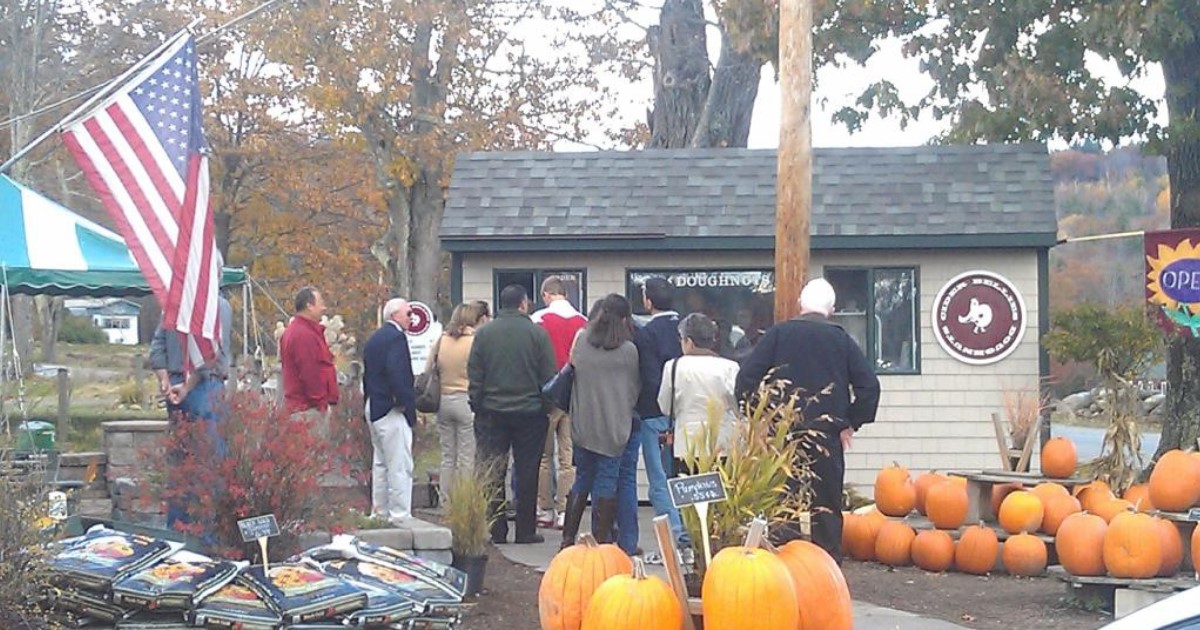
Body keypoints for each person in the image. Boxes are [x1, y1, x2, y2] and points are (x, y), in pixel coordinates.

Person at [735, 278, 881, 563]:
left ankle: (782, 567)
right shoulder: (841, 340)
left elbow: (745, 380)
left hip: (782, 437)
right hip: (825, 437)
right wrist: (851, 421)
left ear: (801, 304)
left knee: (782, 505)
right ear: (833, 309)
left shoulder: (778, 334)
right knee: (825, 508)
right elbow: (869, 387)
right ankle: (827, 570)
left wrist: (759, 419)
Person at [468, 285, 556, 544]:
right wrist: (545, 406)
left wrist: (478, 404)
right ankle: (525, 530)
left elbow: (475, 373)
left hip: (492, 412)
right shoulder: (537, 334)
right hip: (530, 413)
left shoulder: (484, 335)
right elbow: (548, 376)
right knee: (527, 471)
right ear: (524, 304)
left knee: (493, 470)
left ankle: (497, 528)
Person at [560, 294, 640, 551]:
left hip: (584, 423)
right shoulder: (628, 351)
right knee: (607, 481)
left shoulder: (581, 340)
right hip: (614, 426)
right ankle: (599, 542)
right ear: (624, 319)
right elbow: (634, 388)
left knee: (582, 479)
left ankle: (567, 539)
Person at [156, 294, 233, 532]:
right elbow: (211, 353)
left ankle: (177, 531)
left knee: (180, 466)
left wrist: (165, 381)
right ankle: (207, 536)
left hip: (178, 383)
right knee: (210, 464)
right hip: (203, 386)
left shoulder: (173, 302)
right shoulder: (218, 305)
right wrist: (185, 387)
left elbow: (157, 346)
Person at [632, 277, 689, 549]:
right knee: (684, 475)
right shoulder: (686, 329)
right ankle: (690, 530)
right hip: (687, 413)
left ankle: (675, 536)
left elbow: (649, 376)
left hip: (654, 414)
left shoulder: (646, 333)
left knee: (659, 479)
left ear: (648, 301)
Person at [531, 276, 587, 529]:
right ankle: (566, 509)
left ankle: (544, 509)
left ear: (546, 294)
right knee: (568, 457)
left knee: (544, 456)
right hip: (574, 395)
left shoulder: (539, 320)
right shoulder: (583, 323)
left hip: (547, 394)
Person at [658, 313, 741, 473]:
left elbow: (665, 406)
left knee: (688, 492)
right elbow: (737, 407)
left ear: (688, 341)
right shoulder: (730, 367)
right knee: (721, 491)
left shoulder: (673, 366)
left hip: (686, 443)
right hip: (722, 442)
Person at [362, 298, 418, 523]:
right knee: (399, 464)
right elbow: (398, 374)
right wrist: (407, 405)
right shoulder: (396, 338)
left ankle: (380, 511)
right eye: (408, 313)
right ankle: (400, 514)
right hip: (391, 407)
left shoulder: (375, 338)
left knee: (381, 463)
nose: (411, 317)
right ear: (394, 315)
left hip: (374, 405)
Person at [428, 300, 490, 500]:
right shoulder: (474, 341)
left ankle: (445, 500)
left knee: (448, 456)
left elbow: (430, 366)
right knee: (466, 457)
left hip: (444, 400)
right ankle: (463, 501)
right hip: (465, 399)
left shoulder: (442, 340)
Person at [279, 287, 339, 419]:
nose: (324, 308)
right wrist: (320, 403)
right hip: (308, 411)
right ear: (309, 306)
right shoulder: (304, 335)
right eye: (320, 303)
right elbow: (310, 371)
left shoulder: (299, 331)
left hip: (303, 408)